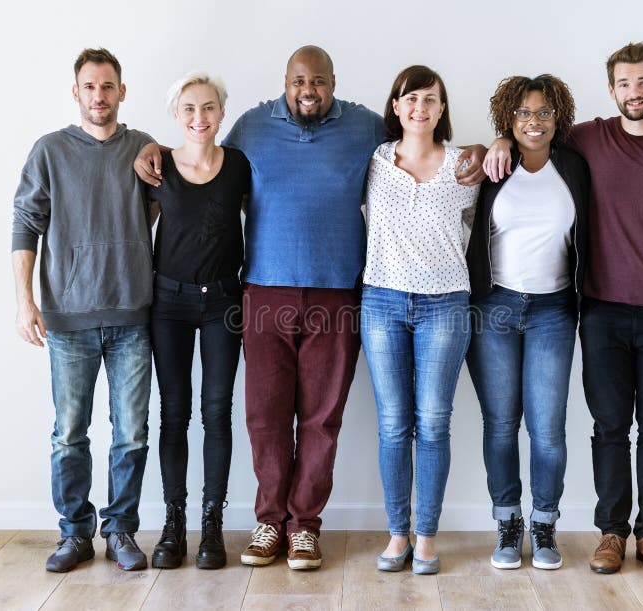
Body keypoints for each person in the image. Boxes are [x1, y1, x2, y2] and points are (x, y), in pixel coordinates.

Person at [134, 45, 487, 570]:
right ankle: (269, 521)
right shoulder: (252, 126)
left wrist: (484, 143)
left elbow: (422, 142)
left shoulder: (366, 127)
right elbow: (202, 155)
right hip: (262, 294)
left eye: (319, 81)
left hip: (337, 296)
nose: (308, 90)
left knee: (322, 419)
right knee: (265, 416)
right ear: (284, 81)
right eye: (299, 80)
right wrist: (150, 147)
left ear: (334, 83)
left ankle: (305, 527)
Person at [483, 42, 643, 576]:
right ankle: (612, 533)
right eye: (624, 83)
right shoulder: (588, 139)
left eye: (642, 82)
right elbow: (533, 132)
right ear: (612, 89)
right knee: (609, 427)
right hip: (601, 309)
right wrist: (502, 135)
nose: (634, 92)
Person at [12, 48, 155, 572]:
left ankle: (120, 530)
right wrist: (26, 300)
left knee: (131, 432)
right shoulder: (49, 151)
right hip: (68, 320)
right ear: (76, 92)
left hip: (132, 317)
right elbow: (25, 223)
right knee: (69, 432)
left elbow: (164, 206)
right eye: (90, 87)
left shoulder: (143, 148)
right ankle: (74, 534)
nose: (99, 96)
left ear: (122, 91)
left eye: (108, 86)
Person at [466, 74, 589, 571]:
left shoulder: (575, 168)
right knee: (499, 425)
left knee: (547, 429)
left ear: (558, 118)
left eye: (542, 113)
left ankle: (543, 523)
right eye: (522, 114)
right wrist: (491, 142)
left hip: (553, 312)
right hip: (493, 308)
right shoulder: (496, 165)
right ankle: (507, 520)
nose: (532, 122)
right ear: (507, 120)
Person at [361, 65, 479, 575]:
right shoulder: (374, 162)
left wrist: (494, 140)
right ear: (395, 106)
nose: (420, 108)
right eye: (410, 98)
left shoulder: (464, 167)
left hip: (446, 305)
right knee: (393, 425)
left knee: (433, 423)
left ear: (442, 109)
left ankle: (426, 536)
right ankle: (397, 534)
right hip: (382, 301)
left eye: (430, 100)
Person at [146, 72, 250, 570]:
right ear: (176, 115)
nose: (199, 117)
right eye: (189, 108)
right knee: (173, 412)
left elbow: (265, 221)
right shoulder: (156, 165)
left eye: (208, 108)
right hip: (167, 302)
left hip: (223, 303)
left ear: (221, 113)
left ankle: (212, 526)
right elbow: (138, 228)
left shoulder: (240, 167)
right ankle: (173, 525)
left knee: (217, 412)